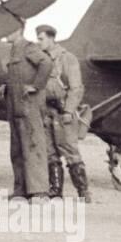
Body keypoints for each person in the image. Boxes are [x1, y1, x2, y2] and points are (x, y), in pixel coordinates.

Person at [36, 24, 91, 201]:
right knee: (50, 152)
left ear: (52, 38)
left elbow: (76, 88)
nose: (39, 42)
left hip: (62, 112)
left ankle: (83, 192)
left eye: (41, 38)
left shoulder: (67, 59)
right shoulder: (42, 59)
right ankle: (55, 191)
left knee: (70, 151)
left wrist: (68, 110)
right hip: (46, 111)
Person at [0, 28, 52, 199]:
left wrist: (36, 86)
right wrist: (6, 85)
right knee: (17, 150)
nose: (5, 32)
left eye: (9, 28)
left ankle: (39, 192)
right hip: (16, 107)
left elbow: (46, 63)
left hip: (29, 107)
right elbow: (19, 74)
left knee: (33, 147)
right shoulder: (14, 48)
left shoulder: (27, 47)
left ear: (18, 29)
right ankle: (21, 191)